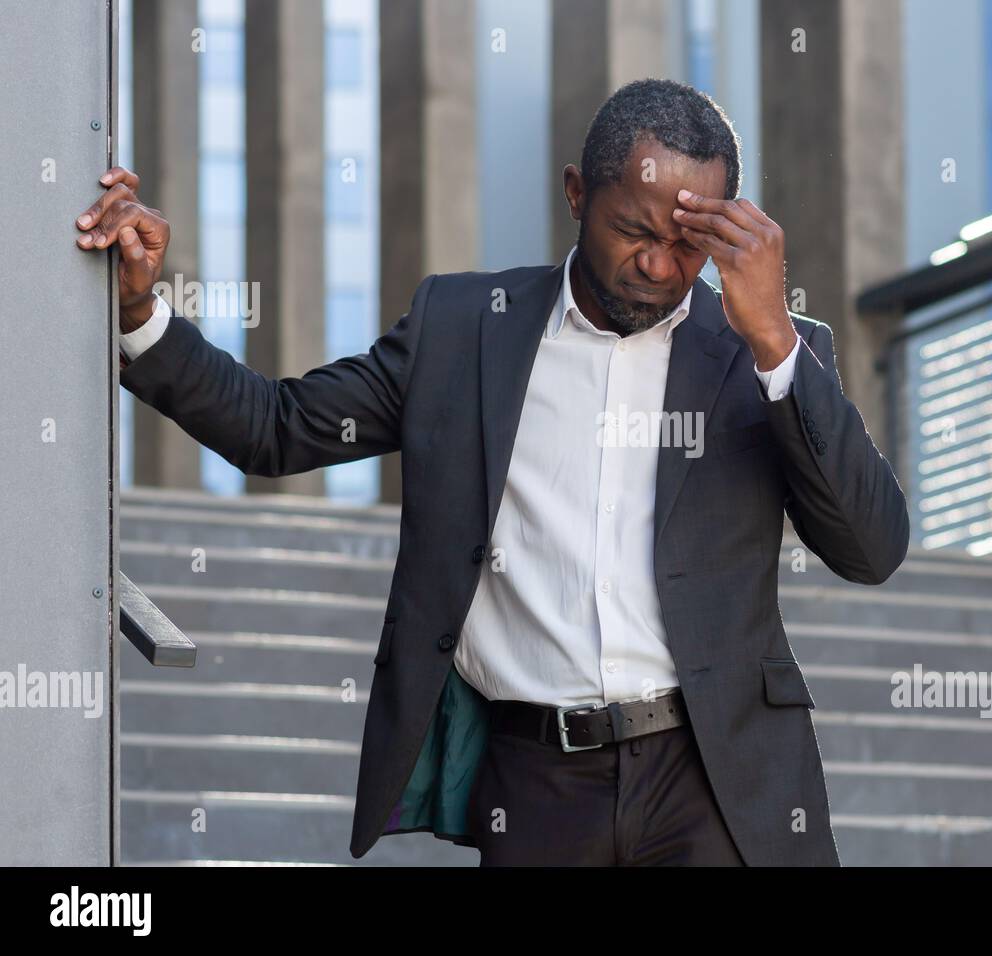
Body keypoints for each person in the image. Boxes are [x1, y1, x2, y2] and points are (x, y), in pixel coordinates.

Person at [77, 78, 909, 866]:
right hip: (540, 782)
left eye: (688, 245)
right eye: (636, 232)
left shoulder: (767, 353)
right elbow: (277, 428)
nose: (659, 267)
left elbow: (870, 550)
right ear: (577, 193)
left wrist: (774, 344)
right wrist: (143, 314)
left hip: (718, 781)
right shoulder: (464, 330)